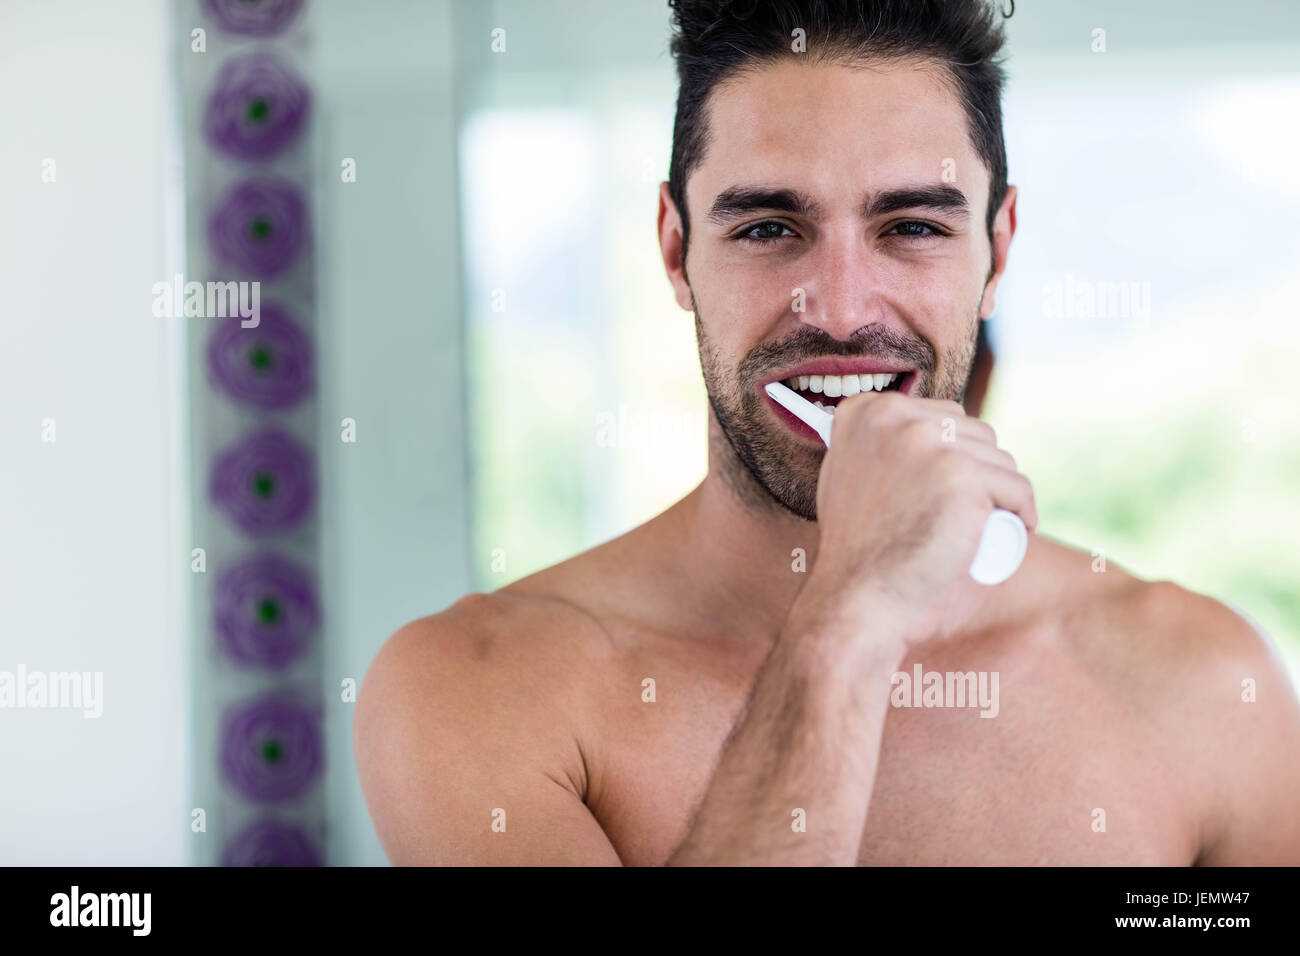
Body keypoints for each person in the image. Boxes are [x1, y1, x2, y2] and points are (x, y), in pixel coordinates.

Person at [355, 0, 1300, 865]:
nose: (843, 313)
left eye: (914, 228)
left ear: (998, 252)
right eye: (769, 228)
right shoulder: (477, 691)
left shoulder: (1208, 685)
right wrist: (852, 611)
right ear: (676, 251)